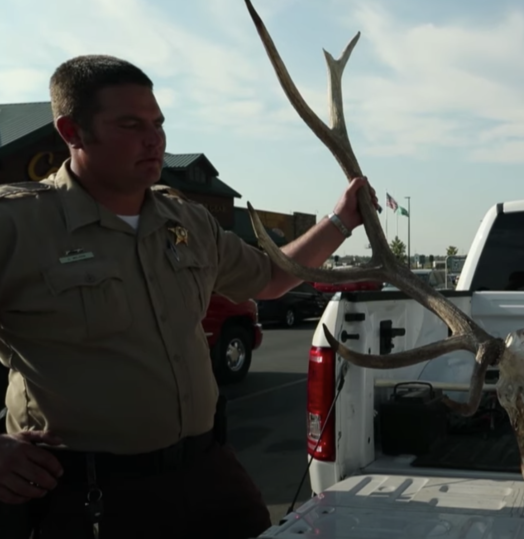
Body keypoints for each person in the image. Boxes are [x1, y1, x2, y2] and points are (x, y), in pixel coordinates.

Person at [0, 54, 379, 538]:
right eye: (130, 124)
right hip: (88, 496)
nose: (154, 138)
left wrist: (341, 221)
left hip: (208, 476)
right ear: (72, 131)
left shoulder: (188, 222)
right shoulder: (19, 228)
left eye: (158, 122)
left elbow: (269, 276)